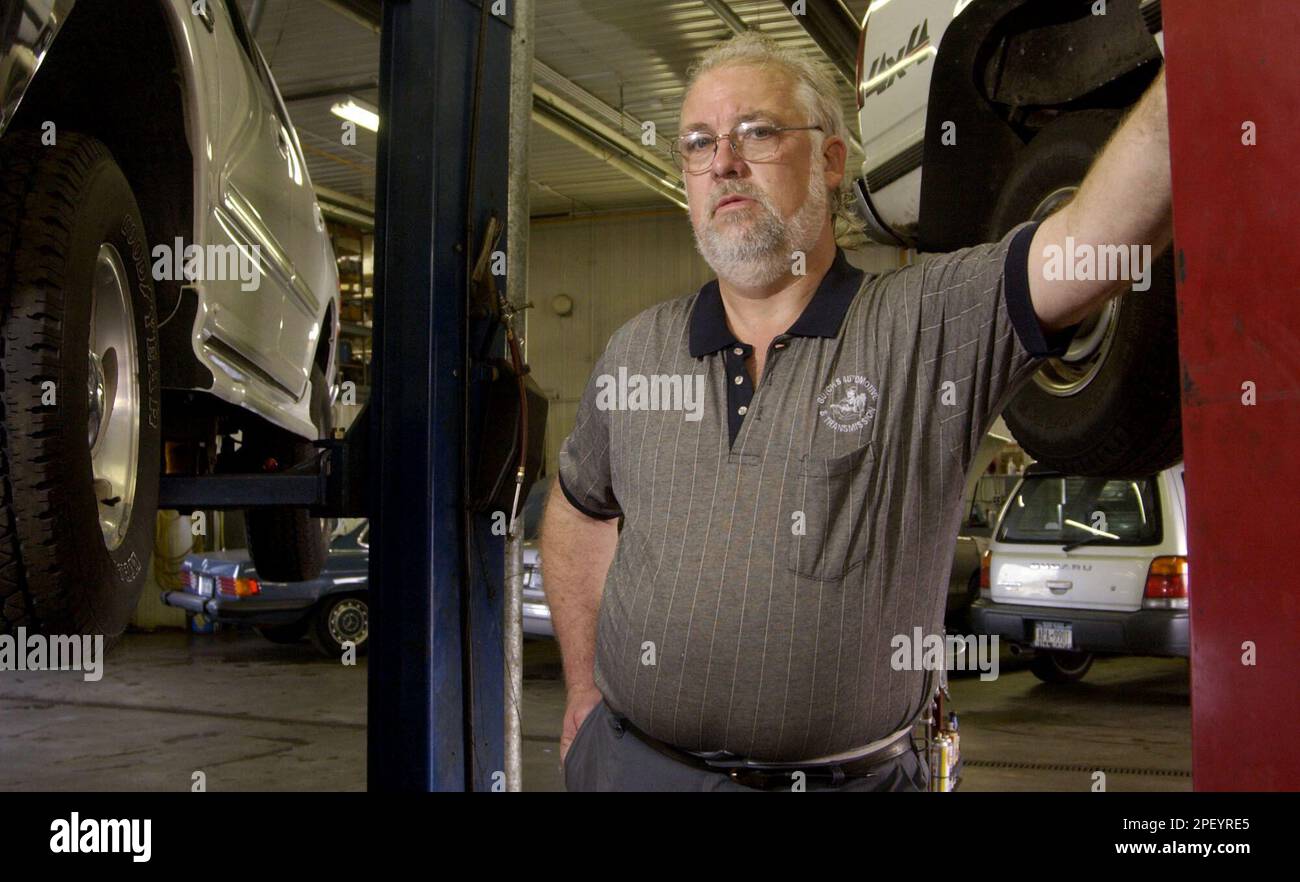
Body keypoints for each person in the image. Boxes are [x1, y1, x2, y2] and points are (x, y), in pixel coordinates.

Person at [541, 31, 1171, 791]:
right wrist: (582, 687)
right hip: (634, 768)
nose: (723, 163)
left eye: (758, 133)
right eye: (699, 143)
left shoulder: (928, 322)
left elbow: (1095, 240)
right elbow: (579, 508)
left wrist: (1203, 57)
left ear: (833, 160)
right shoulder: (636, 351)